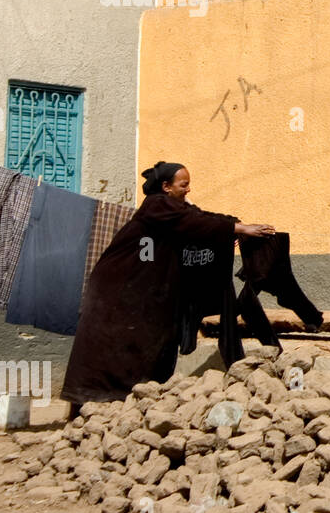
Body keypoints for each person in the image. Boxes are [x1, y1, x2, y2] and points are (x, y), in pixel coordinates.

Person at [60, 161, 275, 410]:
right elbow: (194, 222)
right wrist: (239, 228)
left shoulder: (174, 208)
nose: (188, 190)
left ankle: (129, 399)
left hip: (141, 290)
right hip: (117, 289)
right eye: (184, 185)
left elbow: (199, 217)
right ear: (166, 187)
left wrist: (233, 224)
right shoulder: (156, 205)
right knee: (107, 348)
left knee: (143, 344)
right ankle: (85, 405)